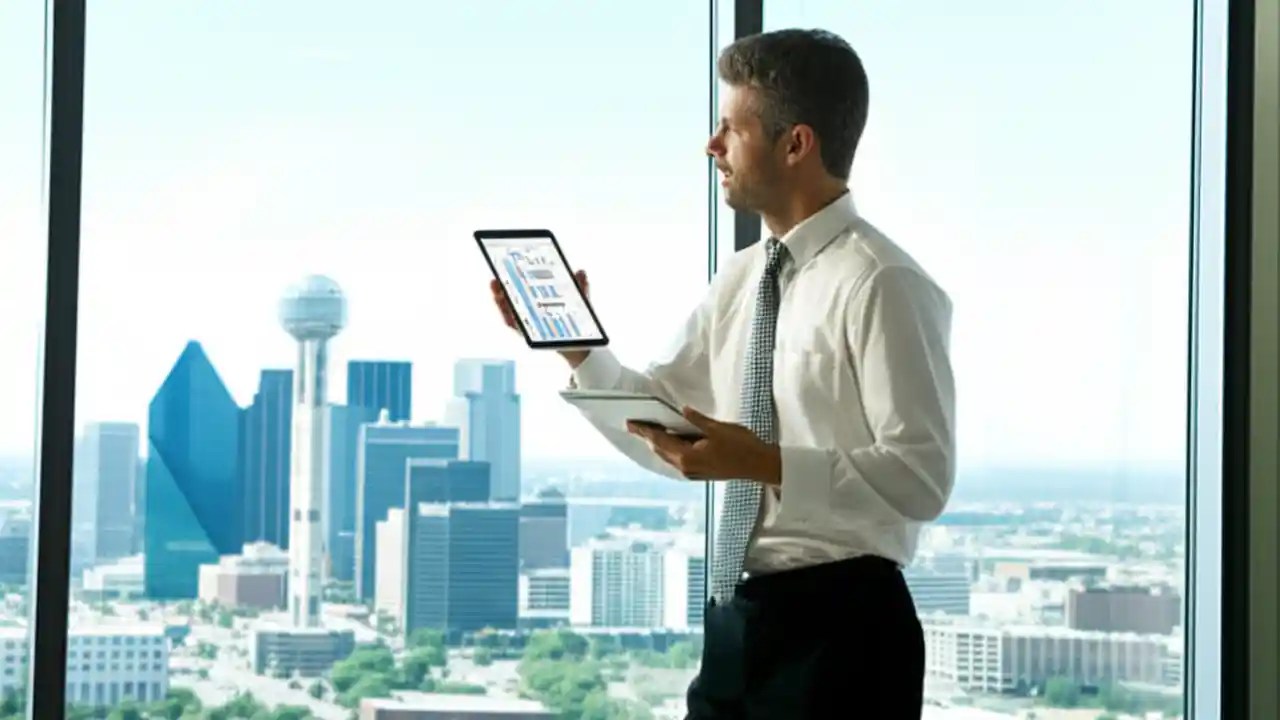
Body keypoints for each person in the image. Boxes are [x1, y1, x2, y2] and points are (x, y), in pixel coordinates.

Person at [491, 28, 955, 719]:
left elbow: (922, 476)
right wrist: (577, 348)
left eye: (729, 130)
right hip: (739, 617)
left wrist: (767, 462)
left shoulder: (882, 282)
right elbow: (667, 422)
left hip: (847, 631)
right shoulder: (743, 277)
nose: (711, 147)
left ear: (795, 144)